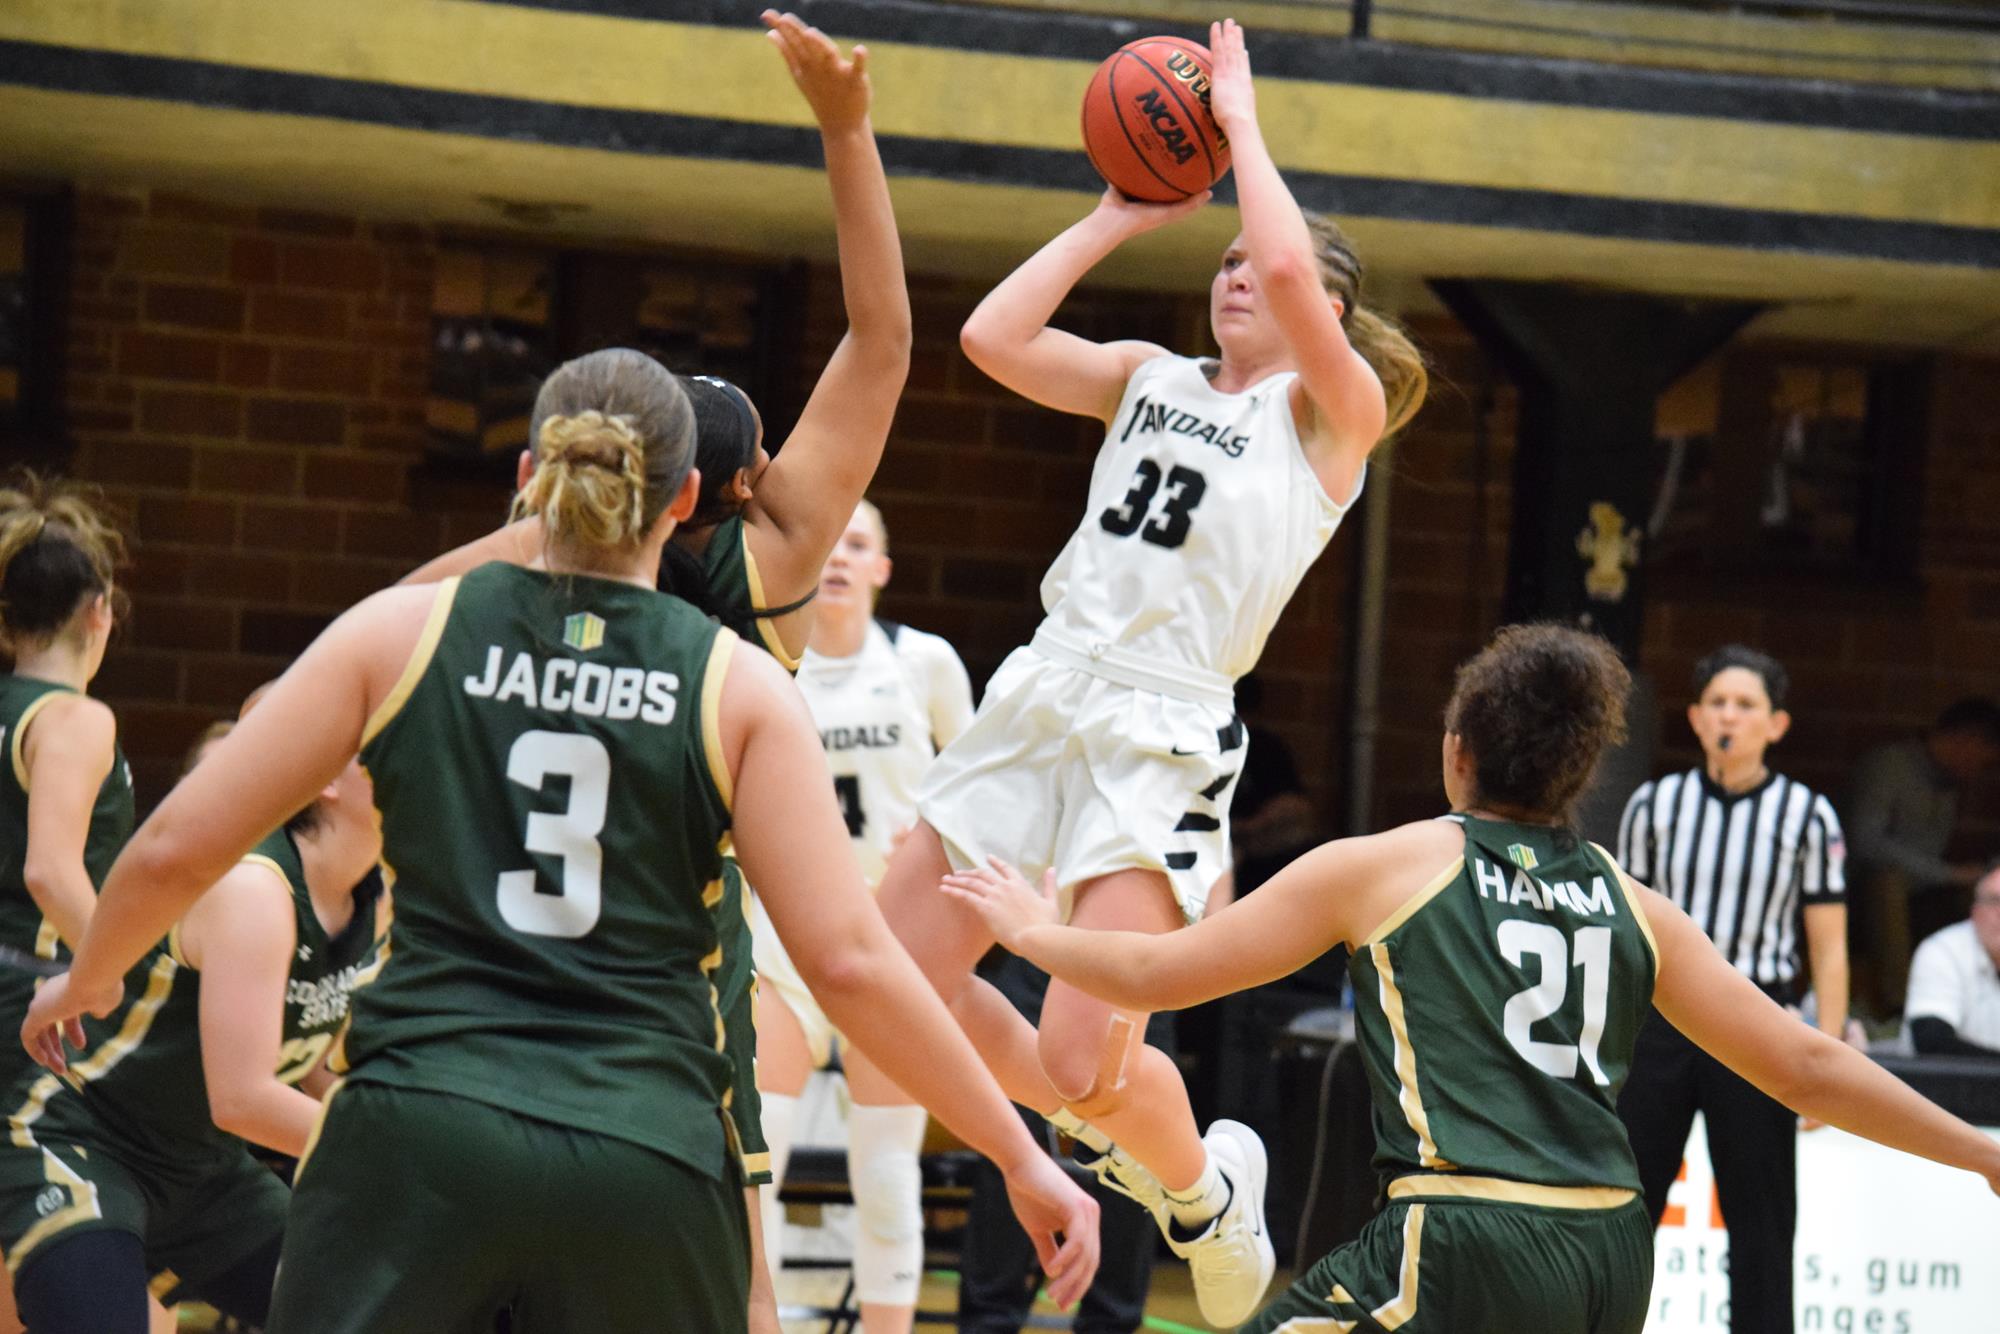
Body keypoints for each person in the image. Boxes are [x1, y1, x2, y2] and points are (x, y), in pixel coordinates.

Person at [23, 350, 1096, 1334]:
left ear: (530, 476)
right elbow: (853, 962)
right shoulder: (738, 683)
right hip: (643, 1144)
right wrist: (1016, 1150)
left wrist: (91, 974)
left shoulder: (409, 627)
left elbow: (173, 846)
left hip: (420, 1125)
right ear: (686, 500)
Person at [940, 622, 2000, 1334]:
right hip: (1611, 1252)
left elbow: (1157, 974)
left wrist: (1034, 931)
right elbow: (1808, 1064)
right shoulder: (1640, 905)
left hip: (1464, 1230)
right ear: (1581, 773)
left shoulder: (1388, 865)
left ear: (1456, 753)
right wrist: (1980, 1151)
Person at [873, 20, 1425, 1326]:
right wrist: (1117, 214)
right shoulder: (1145, 376)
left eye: (1260, 270)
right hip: (1045, 684)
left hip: (1161, 725)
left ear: (1325, 316)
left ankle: (1204, 1187)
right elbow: (991, 336)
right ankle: (1127, 1148)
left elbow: (1284, 255)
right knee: (892, 977)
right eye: (1218, 262)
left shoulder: (1329, 421)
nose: (1239, 274)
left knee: (1079, 1054)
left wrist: (1240, 126)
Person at [400, 17, 911, 1322]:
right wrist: (846, 128)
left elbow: (393, 617)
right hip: (674, 962)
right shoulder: (773, 565)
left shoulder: (536, 559)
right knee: (735, 1277)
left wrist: (533, 522)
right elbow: (881, 338)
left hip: (499, 958)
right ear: (727, 490)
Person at [0, 686, 383, 1333]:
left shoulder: (374, 896)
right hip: (85, 1136)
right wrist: (400, 1147)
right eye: (389, 738)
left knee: (377, 1308)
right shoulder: (256, 888)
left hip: (205, 1173)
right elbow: (243, 1100)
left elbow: (320, 1065)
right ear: (327, 780)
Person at [752, 500, 974, 1334]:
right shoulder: (764, 665)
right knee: (757, 1168)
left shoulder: (924, 663)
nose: (840, 556)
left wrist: (938, 843)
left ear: (883, 567)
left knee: (884, 1174)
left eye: (859, 543)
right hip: (782, 940)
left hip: (888, 942)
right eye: (831, 540)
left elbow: (981, 795)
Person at [1613, 644, 1848, 1334]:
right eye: (1717, 702)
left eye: (1746, 705)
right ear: (1694, 718)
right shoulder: (1654, 805)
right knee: (1625, 1207)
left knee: (1762, 1221)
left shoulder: (1809, 814)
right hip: (1661, 1020)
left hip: (1758, 1019)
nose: (1729, 716)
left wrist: (1827, 1055)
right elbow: (1623, 929)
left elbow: (1829, 948)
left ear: (1777, 725)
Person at [955, 953, 1165, 1334]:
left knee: (1137, 1149)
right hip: (1042, 960)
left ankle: (1110, 1324)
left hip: (1144, 970)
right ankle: (987, 1321)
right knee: (1009, 1132)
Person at [1846, 697, 2000, 1017]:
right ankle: (1900, 1007)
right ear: (1968, 740)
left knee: (1987, 894)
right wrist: (1948, 874)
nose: (1980, 772)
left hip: (1923, 892)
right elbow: (1866, 842)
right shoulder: (1890, 764)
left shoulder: (1949, 781)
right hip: (1860, 896)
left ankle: (1980, 1005)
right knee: (1887, 882)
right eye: (1984, 761)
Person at [1904, 862, 2000, 1057]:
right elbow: (1930, 1042)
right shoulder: (1941, 951)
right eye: (1995, 901)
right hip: (1933, 1078)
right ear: (1975, 911)